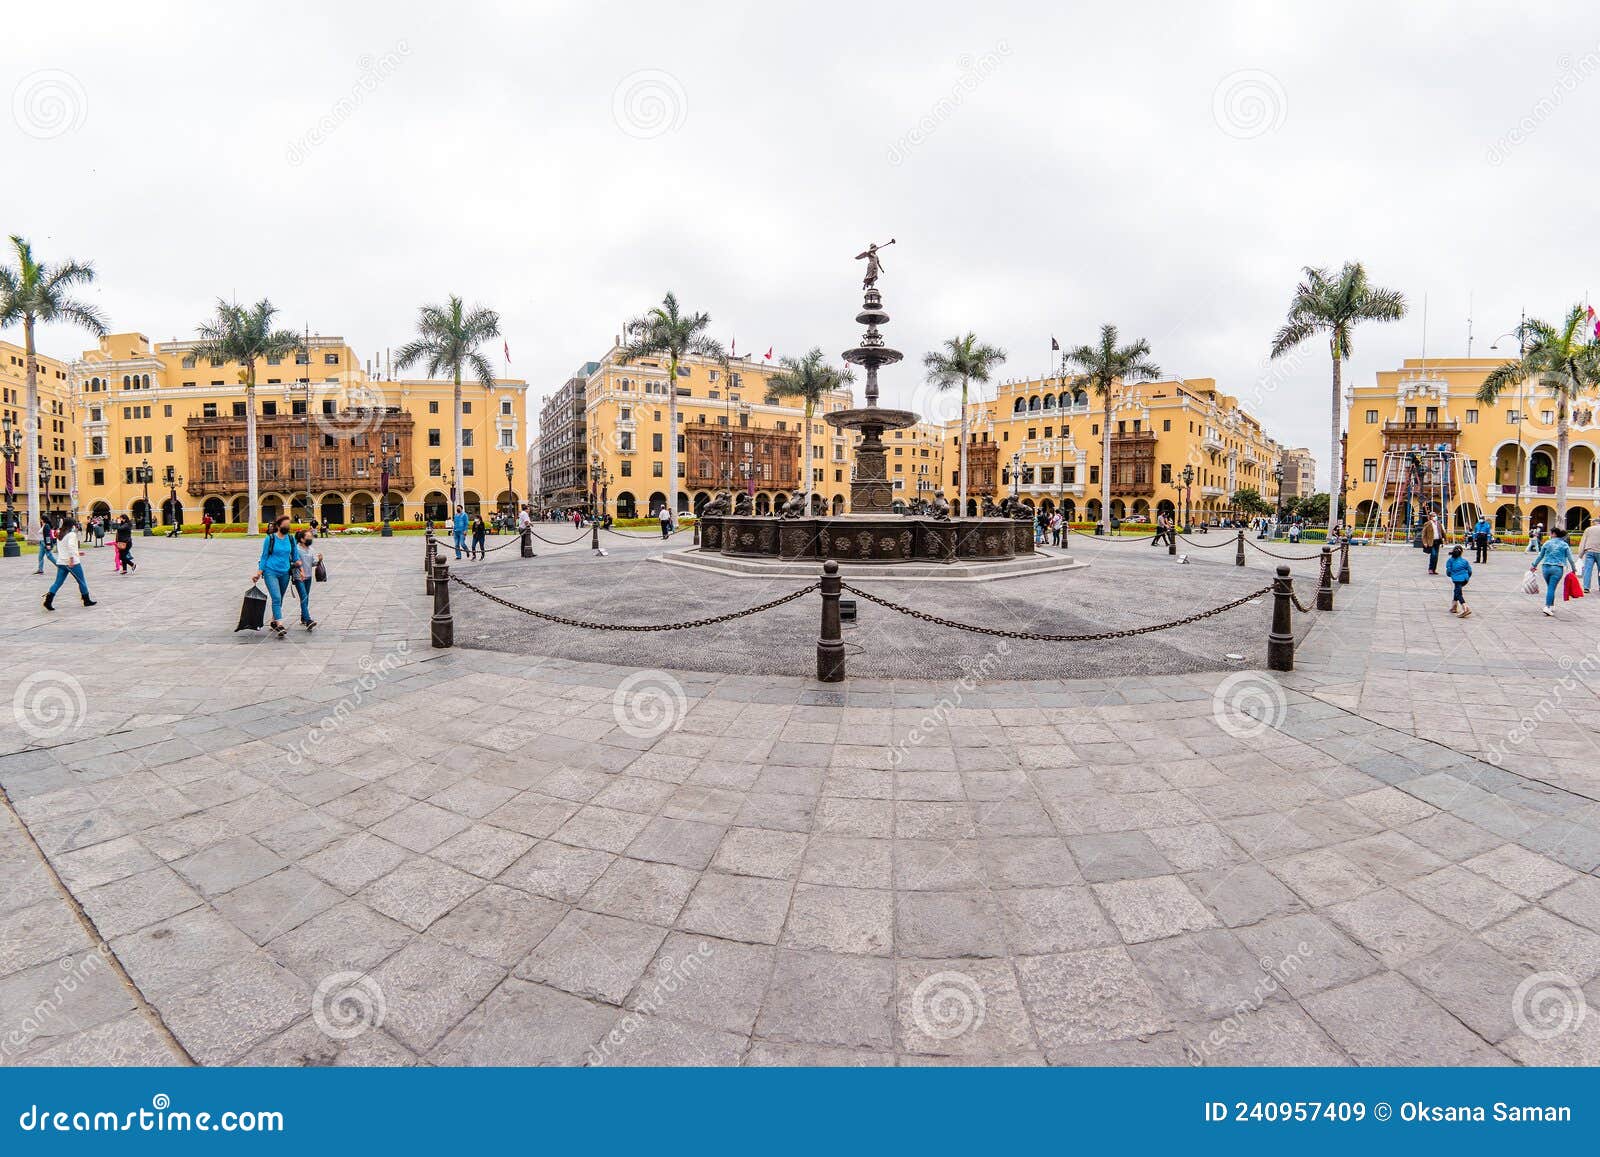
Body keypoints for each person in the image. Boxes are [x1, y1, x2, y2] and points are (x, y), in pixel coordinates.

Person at [253, 514, 306, 638]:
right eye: (285, 525)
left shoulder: (291, 539)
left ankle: (273, 621)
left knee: (280, 598)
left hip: (285, 573)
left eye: (289, 525)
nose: (288, 527)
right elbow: (264, 556)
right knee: (276, 597)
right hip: (270, 571)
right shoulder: (270, 539)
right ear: (278, 525)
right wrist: (259, 572)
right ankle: (280, 625)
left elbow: (295, 555)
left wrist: (301, 568)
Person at [41, 517, 95, 611]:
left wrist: (77, 553)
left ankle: (48, 601)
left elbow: (64, 548)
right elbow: (70, 547)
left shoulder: (60, 534)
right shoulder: (71, 535)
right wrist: (71, 559)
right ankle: (86, 600)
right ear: (71, 525)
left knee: (58, 583)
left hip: (61, 562)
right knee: (81, 581)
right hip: (72, 562)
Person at [1530, 526, 1576, 618]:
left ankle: (1551, 605)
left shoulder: (1547, 543)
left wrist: (1534, 565)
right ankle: (1547, 607)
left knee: (1550, 587)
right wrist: (1574, 569)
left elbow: (1540, 556)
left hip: (1545, 568)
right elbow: (1570, 559)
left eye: (1550, 533)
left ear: (1554, 534)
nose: (1550, 535)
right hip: (1557, 569)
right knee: (1552, 587)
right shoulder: (1564, 545)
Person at [289, 526, 321, 632]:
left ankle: (303, 617)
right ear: (302, 539)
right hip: (299, 577)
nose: (310, 538)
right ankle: (308, 620)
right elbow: (292, 562)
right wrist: (297, 566)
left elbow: (312, 563)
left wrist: (319, 561)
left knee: (306, 597)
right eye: (308, 537)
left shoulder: (311, 549)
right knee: (303, 597)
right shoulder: (296, 549)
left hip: (308, 577)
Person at [1444, 544, 1473, 620]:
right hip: (1465, 579)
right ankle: (1454, 607)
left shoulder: (1450, 561)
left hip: (1457, 579)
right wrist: (1467, 577)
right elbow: (1470, 571)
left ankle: (1466, 608)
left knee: (1458, 593)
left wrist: (1451, 575)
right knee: (1456, 590)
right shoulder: (1464, 561)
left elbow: (1448, 572)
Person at [1580, 520, 1600, 592]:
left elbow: (1583, 541)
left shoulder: (1588, 529)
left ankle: (1586, 587)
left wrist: (1580, 554)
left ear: (1593, 523)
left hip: (1589, 551)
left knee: (1587, 570)